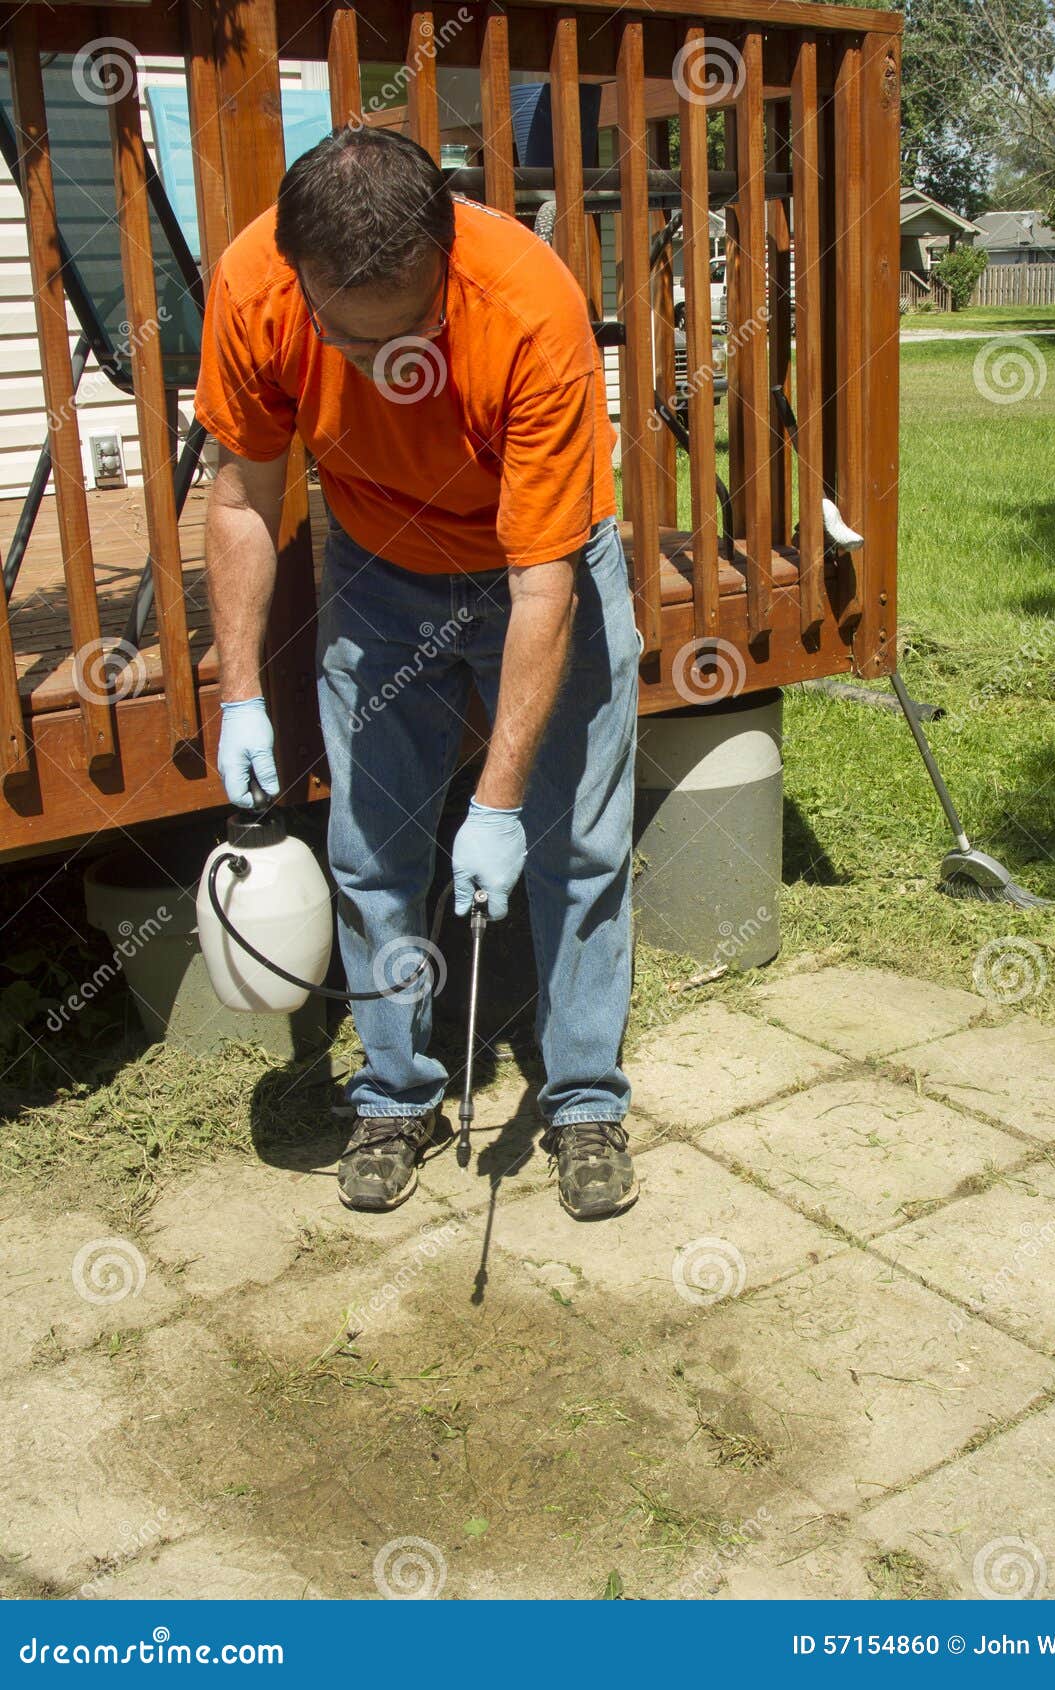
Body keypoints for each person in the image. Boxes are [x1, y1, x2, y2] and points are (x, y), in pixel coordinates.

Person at [195, 127, 641, 1222]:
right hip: (377, 563)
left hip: (538, 562)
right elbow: (244, 496)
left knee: (578, 845)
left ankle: (585, 1099)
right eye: (347, 341)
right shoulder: (254, 285)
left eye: (408, 333)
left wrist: (496, 805)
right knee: (372, 849)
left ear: (444, 262)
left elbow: (543, 586)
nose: (382, 366)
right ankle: (395, 1094)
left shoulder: (529, 307)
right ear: (301, 278)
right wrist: (240, 694)